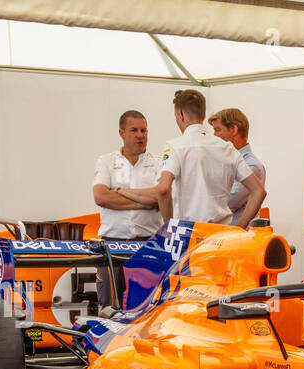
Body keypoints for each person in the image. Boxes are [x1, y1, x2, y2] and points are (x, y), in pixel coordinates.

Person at [123, 89, 265, 227]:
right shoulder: (227, 147)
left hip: (189, 233)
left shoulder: (175, 146)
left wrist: (170, 228)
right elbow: (259, 192)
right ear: (203, 115)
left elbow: (163, 190)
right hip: (222, 235)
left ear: (180, 115)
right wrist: (239, 228)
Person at [91, 109, 162, 306]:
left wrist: (121, 192)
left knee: (147, 306)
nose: (140, 135)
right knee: (108, 305)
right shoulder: (107, 161)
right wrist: (144, 201)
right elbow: (101, 196)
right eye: (134, 130)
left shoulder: (158, 163)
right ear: (122, 133)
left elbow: (160, 196)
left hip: (147, 245)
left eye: (144, 130)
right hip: (111, 244)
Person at [208, 108, 266, 226]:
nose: (214, 136)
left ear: (233, 130)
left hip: (237, 238)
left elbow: (227, 202)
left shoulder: (252, 165)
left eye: (218, 130)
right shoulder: (226, 160)